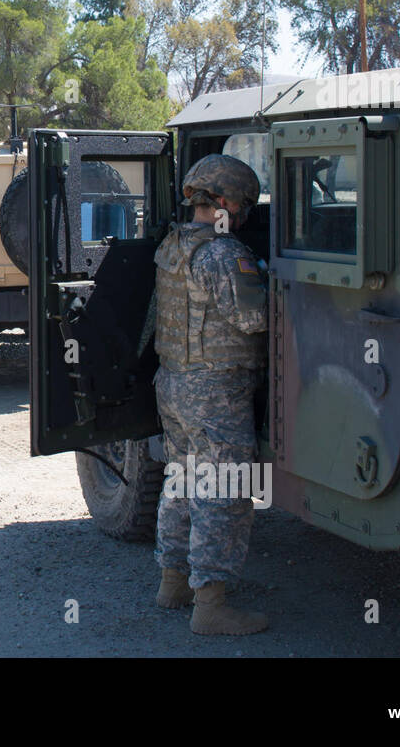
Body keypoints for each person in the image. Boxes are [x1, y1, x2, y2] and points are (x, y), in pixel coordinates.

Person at [151, 154, 269, 636]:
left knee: (180, 479)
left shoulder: (173, 246)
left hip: (174, 382)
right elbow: (253, 320)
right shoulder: (223, 254)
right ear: (221, 203)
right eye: (240, 204)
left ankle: (173, 581)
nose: (241, 214)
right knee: (222, 489)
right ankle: (211, 605)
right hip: (215, 389)